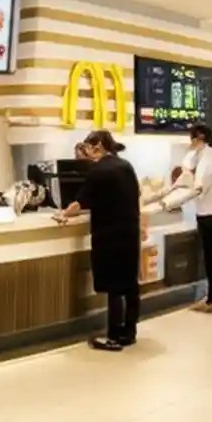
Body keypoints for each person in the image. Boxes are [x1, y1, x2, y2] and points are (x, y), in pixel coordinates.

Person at [54, 130, 142, 352]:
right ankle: (129, 333)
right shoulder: (126, 166)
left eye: (89, 147)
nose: (88, 152)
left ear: (99, 146)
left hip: (109, 234)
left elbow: (81, 202)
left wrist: (64, 214)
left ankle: (112, 337)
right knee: (130, 285)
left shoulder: (99, 171)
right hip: (130, 232)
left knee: (113, 287)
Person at [165, 124, 212, 312]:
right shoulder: (199, 155)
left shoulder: (210, 156)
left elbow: (198, 186)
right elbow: (186, 174)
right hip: (208, 213)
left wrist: (172, 200)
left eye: (193, 138)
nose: (191, 143)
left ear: (200, 137)